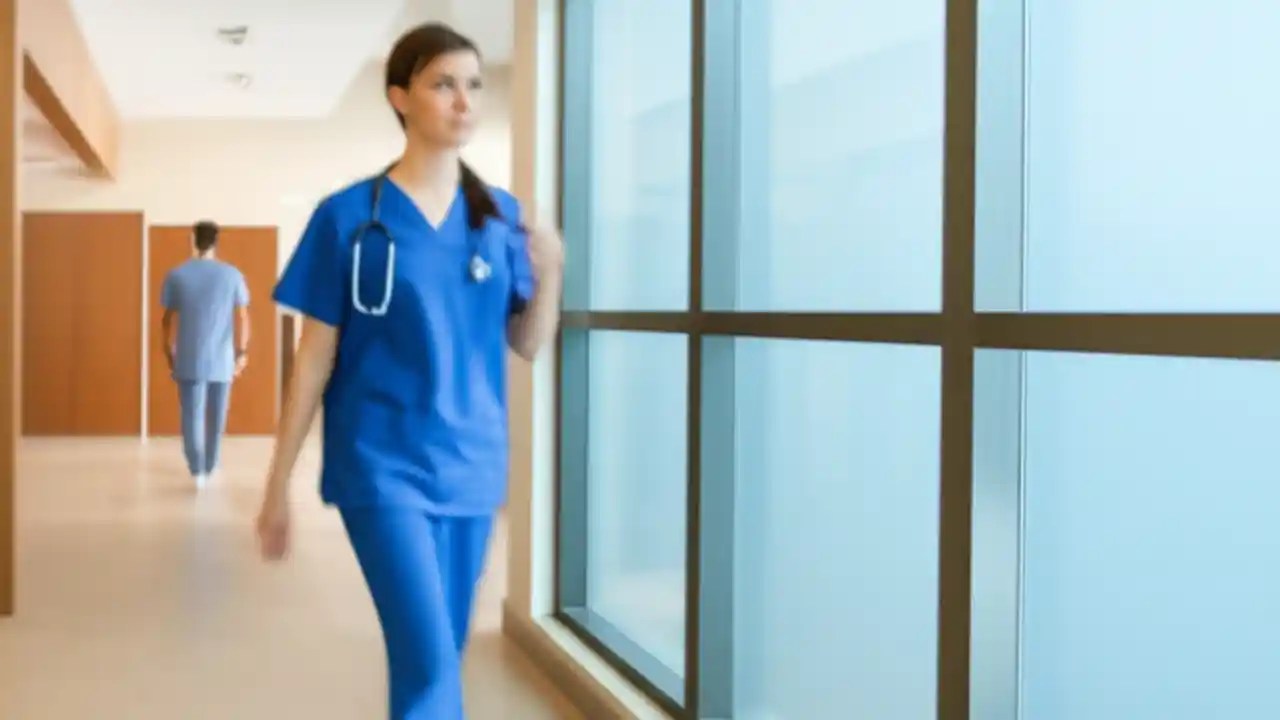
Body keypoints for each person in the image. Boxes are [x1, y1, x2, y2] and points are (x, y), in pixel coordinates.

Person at [255, 22, 563, 719]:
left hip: (472, 467)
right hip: (381, 466)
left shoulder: (501, 219)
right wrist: (276, 486)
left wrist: (552, 274)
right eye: (443, 84)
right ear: (400, 97)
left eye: (474, 85)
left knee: (432, 661)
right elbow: (312, 361)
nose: (465, 101)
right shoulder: (346, 219)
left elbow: (528, 343)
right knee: (429, 657)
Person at [160, 220, 251, 489]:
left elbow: (166, 319)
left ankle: (197, 469)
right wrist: (242, 352)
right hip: (222, 360)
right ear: (216, 241)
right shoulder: (233, 275)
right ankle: (211, 464)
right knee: (217, 415)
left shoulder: (177, 275)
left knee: (192, 414)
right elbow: (243, 316)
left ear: (192, 239)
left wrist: (168, 350)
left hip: (188, 357)